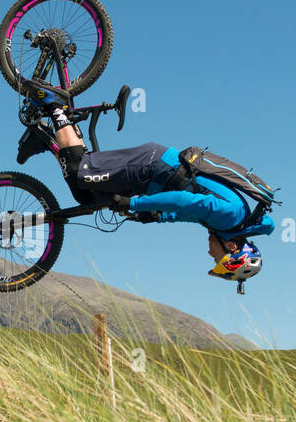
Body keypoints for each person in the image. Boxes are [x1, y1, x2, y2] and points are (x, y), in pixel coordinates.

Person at [38, 91, 272, 286]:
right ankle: (55, 106)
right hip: (151, 165)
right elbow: (184, 202)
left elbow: (189, 213)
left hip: (151, 178)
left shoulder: (229, 225)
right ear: (231, 247)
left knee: (89, 197)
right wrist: (135, 204)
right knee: (80, 170)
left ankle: (45, 135)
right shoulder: (230, 217)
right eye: (217, 259)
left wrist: (156, 217)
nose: (211, 255)